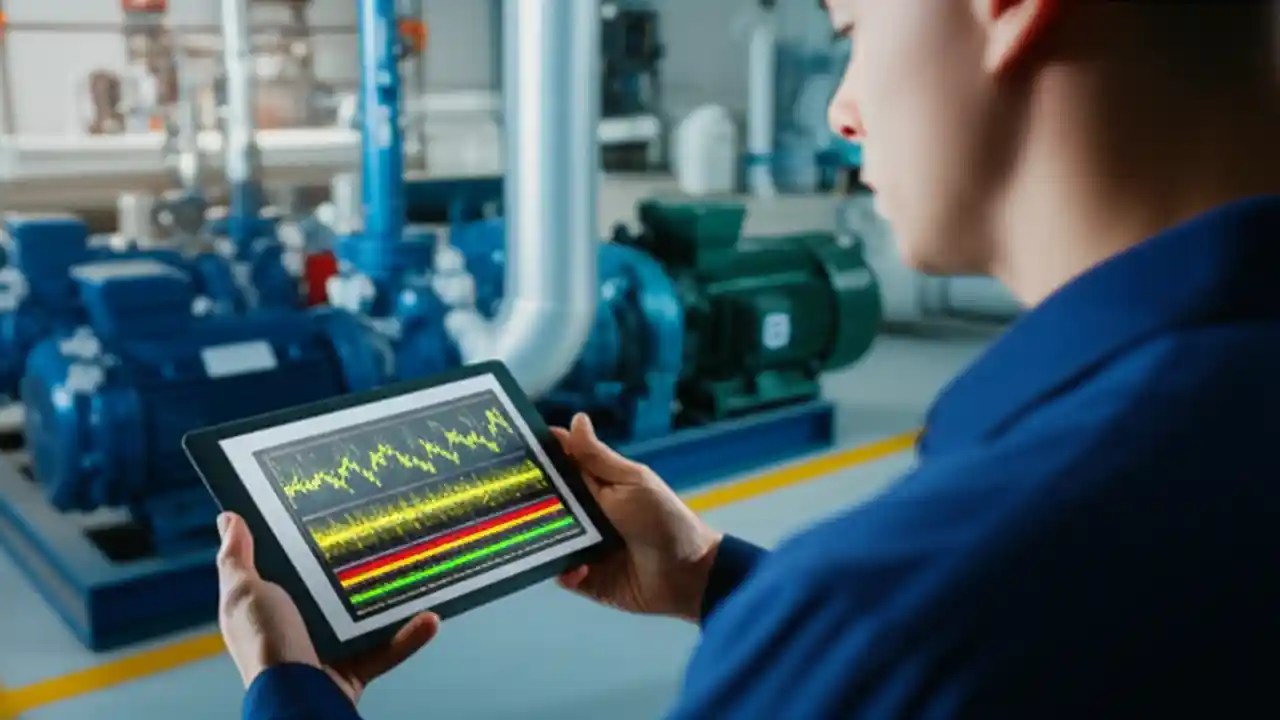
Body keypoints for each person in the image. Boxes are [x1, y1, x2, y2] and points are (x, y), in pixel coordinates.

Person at [219, 0, 1280, 717]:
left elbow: (914, 632)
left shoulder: (896, 618)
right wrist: (713, 578)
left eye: (853, 29)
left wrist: (297, 691)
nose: (842, 109)